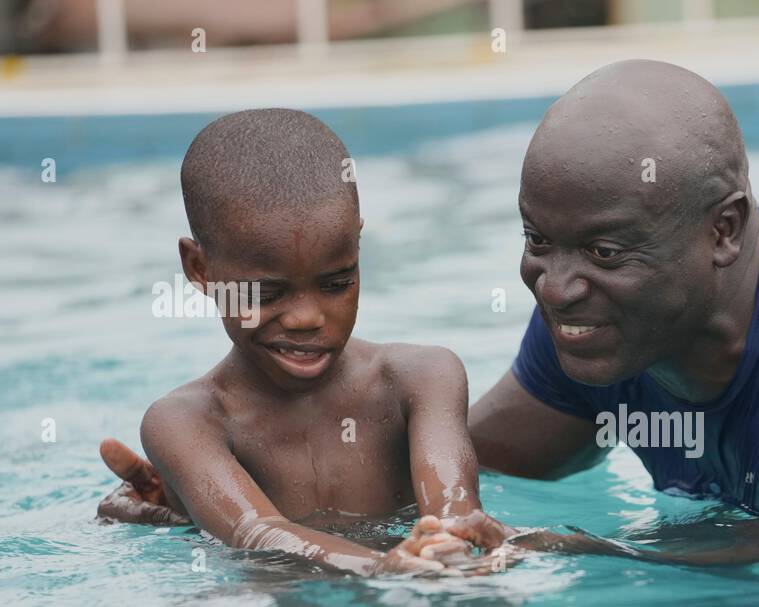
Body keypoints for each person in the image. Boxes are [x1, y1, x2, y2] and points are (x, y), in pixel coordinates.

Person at [101, 62, 759, 568]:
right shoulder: (604, 311)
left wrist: (561, 550)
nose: (553, 285)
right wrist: (233, 488)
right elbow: (502, 447)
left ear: (724, 230)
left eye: (599, 251)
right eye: (537, 242)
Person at [100, 108, 484, 576]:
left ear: (357, 248)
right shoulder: (186, 423)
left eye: (337, 282)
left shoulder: (420, 379)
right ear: (200, 270)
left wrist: (452, 542)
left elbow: (454, 513)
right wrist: (385, 569)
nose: (308, 318)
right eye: (266, 293)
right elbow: (257, 535)